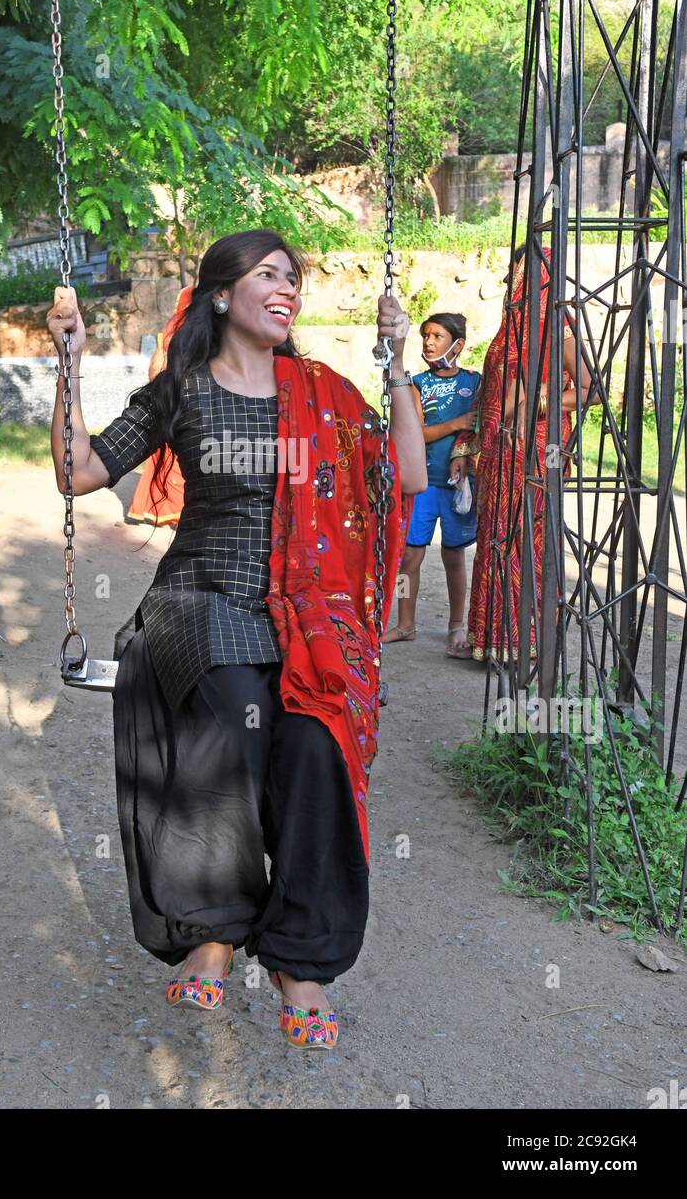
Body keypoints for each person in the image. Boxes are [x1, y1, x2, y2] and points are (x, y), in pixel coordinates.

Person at [47, 228, 426, 1050]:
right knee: (235, 704)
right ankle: (215, 927)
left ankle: (301, 956)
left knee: (316, 740)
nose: (287, 287)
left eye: (294, 276)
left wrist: (397, 364)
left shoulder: (322, 390)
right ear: (222, 294)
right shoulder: (182, 389)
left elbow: (408, 475)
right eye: (268, 274)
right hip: (201, 598)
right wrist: (70, 360)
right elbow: (78, 471)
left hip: (303, 611)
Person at [455, 244, 593, 664]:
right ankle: (490, 638)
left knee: (524, 540)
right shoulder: (508, 328)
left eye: (524, 271)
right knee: (495, 537)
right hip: (498, 452)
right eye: (513, 271)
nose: (513, 280)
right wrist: (466, 446)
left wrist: (533, 402)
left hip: (536, 451)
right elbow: (491, 394)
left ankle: (524, 642)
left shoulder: (557, 324)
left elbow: (589, 389)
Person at [383, 312, 481, 657]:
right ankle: (405, 623)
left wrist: (464, 438)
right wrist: (457, 422)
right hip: (423, 483)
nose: (428, 342)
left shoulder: (475, 382)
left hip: (457, 485)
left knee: (454, 556)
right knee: (408, 556)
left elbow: (482, 427)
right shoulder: (416, 384)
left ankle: (457, 626)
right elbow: (417, 433)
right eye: (425, 335)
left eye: (437, 336)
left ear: (458, 344)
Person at [126, 283, 193, 528]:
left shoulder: (171, 328)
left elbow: (155, 368)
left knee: (163, 455)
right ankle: (175, 512)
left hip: (168, 397)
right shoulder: (209, 332)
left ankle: (155, 509)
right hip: (192, 402)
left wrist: (160, 394)